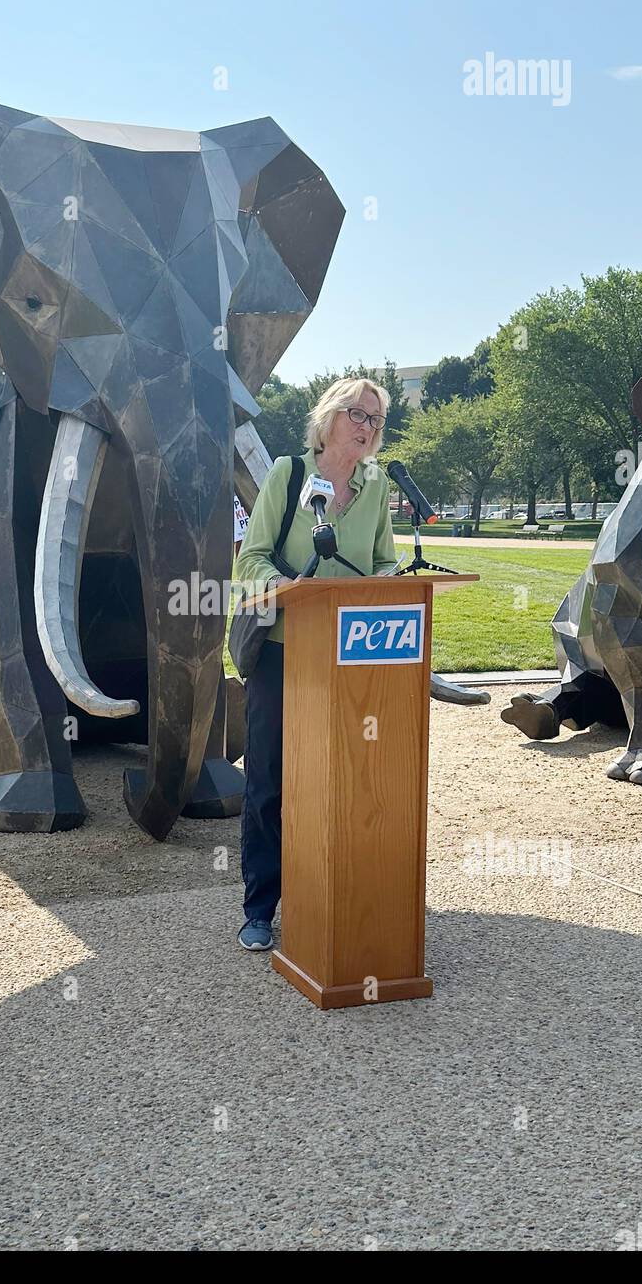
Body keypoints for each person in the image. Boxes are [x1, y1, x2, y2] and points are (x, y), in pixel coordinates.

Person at [231, 377, 398, 952]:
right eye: (357, 413)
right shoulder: (289, 474)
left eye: (375, 419)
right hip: (284, 653)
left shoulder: (376, 486)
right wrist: (281, 586)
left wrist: (388, 584)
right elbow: (249, 559)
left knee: (348, 779)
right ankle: (260, 907)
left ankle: (334, 895)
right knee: (271, 783)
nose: (366, 426)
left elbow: (383, 562)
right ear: (329, 416)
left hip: (352, 657)